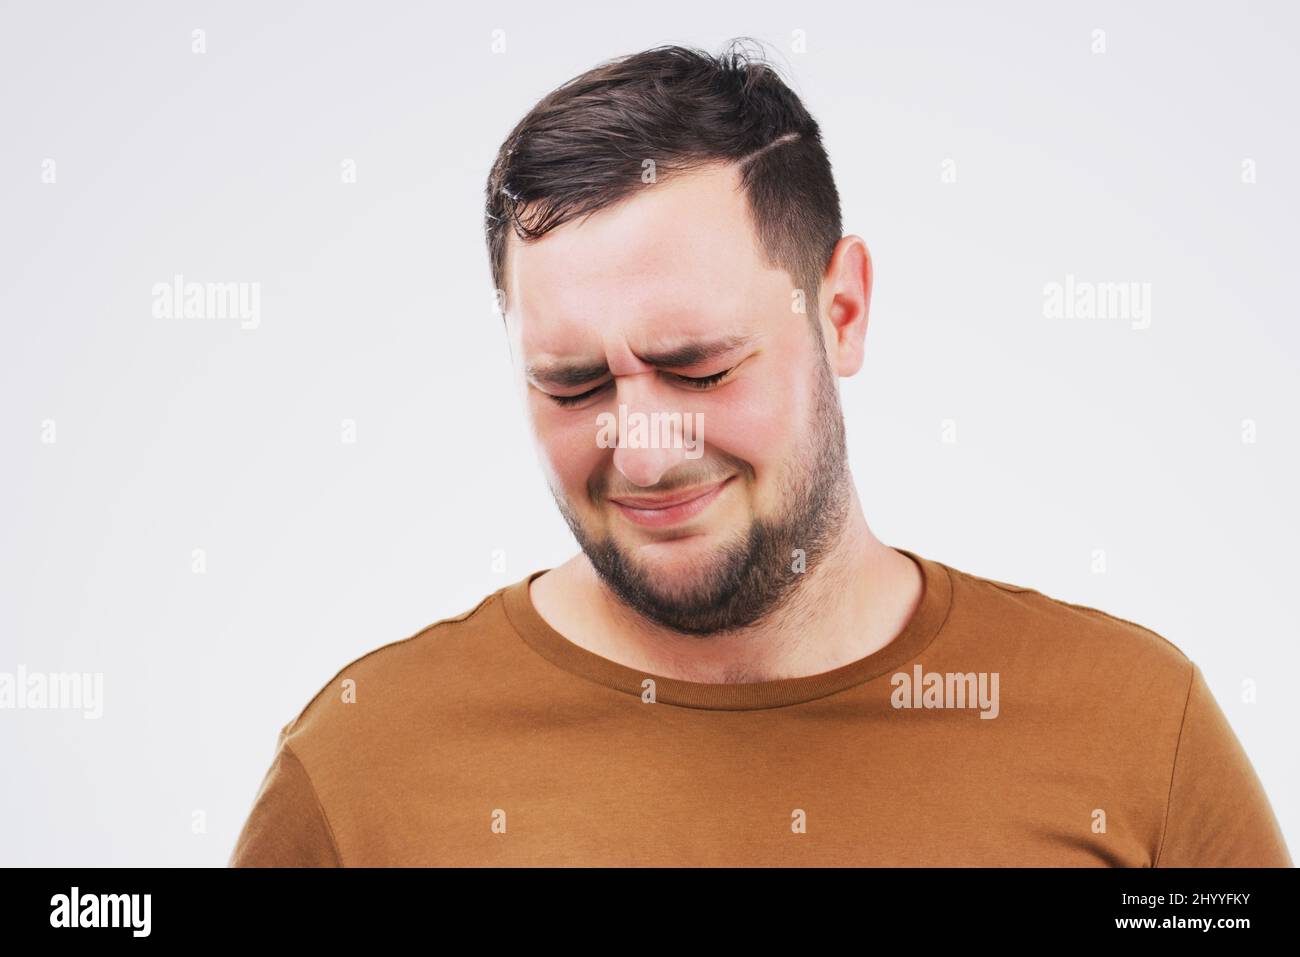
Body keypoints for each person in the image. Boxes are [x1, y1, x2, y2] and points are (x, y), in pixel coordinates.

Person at [229, 41, 1291, 867]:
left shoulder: (1136, 730)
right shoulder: (364, 770)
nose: (645, 456)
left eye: (697, 367)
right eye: (574, 384)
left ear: (842, 310)